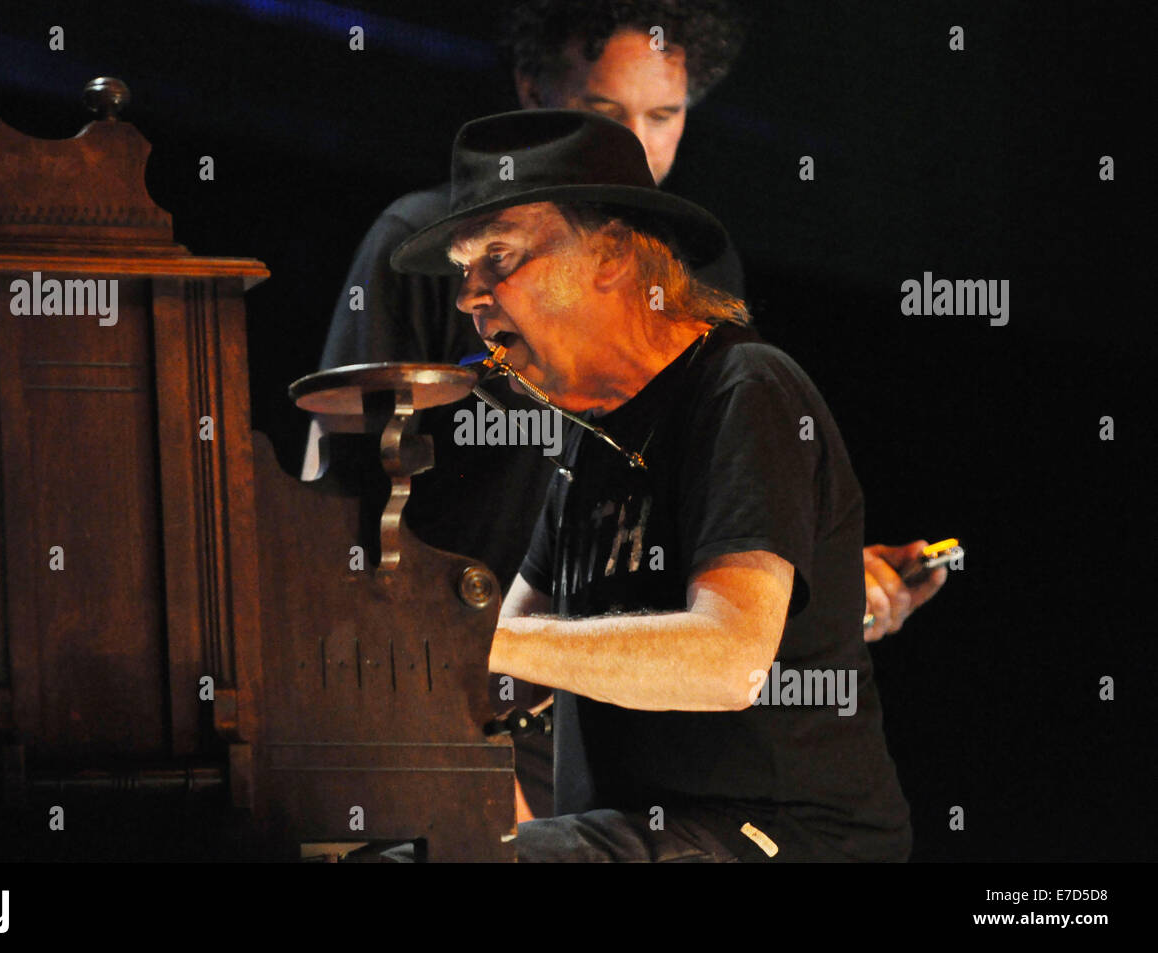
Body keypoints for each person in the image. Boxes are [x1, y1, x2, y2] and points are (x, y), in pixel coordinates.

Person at [309, 0, 945, 820]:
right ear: (533, 94)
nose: (634, 151)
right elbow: (335, 518)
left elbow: (724, 630)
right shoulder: (586, 433)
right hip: (485, 704)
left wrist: (811, 578)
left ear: (615, 260)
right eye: (604, 116)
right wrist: (444, 699)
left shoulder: (726, 369)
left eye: (663, 116)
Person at [391, 108, 912, 862]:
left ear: (608, 254)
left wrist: (482, 640)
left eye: (498, 257)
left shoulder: (746, 389)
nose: (470, 294)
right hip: (643, 834)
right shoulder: (589, 444)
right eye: (463, 269)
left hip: (782, 837)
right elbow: (500, 674)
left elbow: (728, 659)